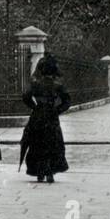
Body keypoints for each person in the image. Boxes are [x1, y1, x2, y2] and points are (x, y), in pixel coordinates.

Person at [20, 55, 71, 183]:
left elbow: (25, 97)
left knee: (37, 143)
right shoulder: (57, 85)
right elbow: (67, 101)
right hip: (51, 116)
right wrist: (58, 110)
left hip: (38, 115)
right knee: (52, 143)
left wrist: (35, 107)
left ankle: (39, 171)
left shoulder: (36, 84)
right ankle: (50, 171)